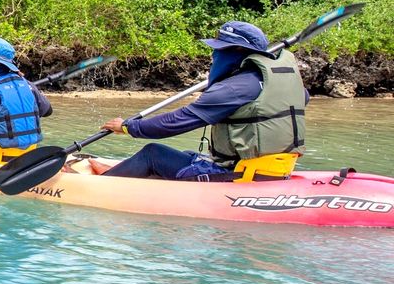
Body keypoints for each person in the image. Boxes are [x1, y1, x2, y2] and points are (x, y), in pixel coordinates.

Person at [99, 21, 307, 180]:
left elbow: (177, 122)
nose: (215, 53)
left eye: (219, 48)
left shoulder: (233, 88)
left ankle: (103, 183)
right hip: (276, 170)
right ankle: (126, 173)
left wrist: (128, 127)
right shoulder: (286, 84)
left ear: (237, 51)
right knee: (187, 155)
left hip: (237, 174)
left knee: (152, 154)